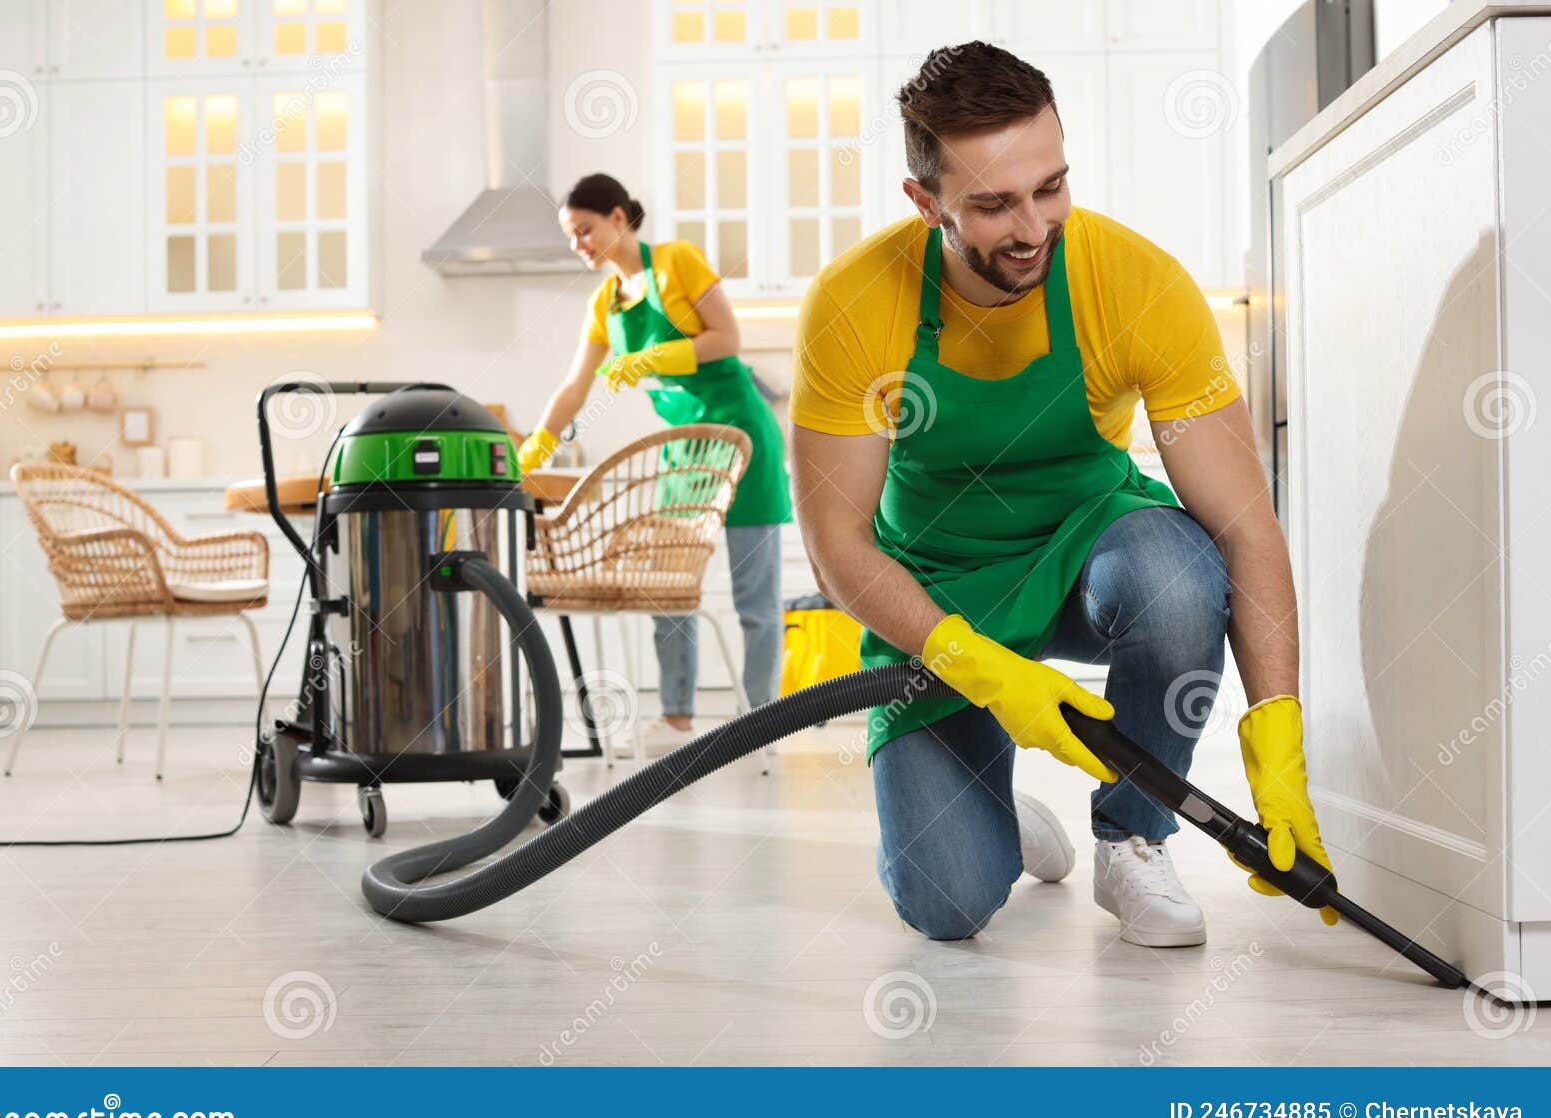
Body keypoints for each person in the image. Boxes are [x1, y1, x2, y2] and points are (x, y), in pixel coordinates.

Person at [789, 42, 1336, 947]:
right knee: (948, 903)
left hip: (1089, 549)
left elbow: (1246, 527)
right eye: (995, 203)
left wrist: (1277, 741)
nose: (1034, 225)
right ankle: (991, 805)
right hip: (939, 590)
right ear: (925, 204)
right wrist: (982, 670)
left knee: (1179, 573)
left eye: (1051, 185)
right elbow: (838, 542)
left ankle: (1133, 838)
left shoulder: (1134, 282)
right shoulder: (854, 303)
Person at [518, 174, 792, 754]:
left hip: (742, 444)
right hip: (683, 455)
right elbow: (575, 384)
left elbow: (728, 337)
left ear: (619, 218)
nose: (579, 245)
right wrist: (540, 440)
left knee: (756, 601)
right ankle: (676, 720)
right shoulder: (604, 303)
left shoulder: (678, 263)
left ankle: (762, 724)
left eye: (584, 230)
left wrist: (658, 355)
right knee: (667, 588)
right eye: (571, 237)